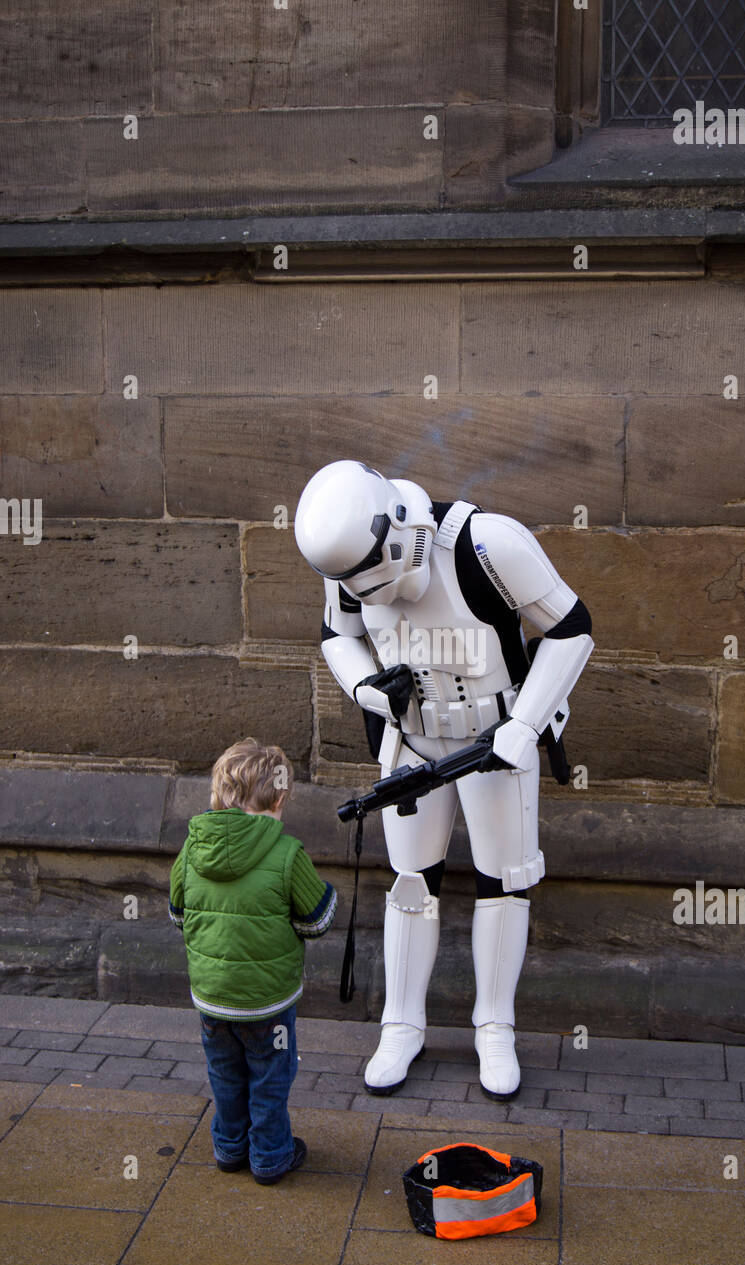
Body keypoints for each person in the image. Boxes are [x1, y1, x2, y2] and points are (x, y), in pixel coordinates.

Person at [294, 460, 593, 1101]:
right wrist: (364, 688)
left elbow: (571, 628)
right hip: (413, 741)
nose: (375, 596)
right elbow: (336, 634)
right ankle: (401, 1022)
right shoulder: (347, 565)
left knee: (502, 881)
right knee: (411, 882)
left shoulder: (488, 547)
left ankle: (495, 1025)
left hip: (495, 740)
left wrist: (525, 724)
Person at [169, 737, 337, 1184]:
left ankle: (228, 1148)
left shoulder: (191, 849)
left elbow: (177, 914)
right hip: (268, 1005)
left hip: (211, 1001)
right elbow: (317, 922)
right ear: (280, 797)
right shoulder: (287, 855)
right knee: (270, 1076)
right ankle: (270, 1155)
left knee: (224, 1074)